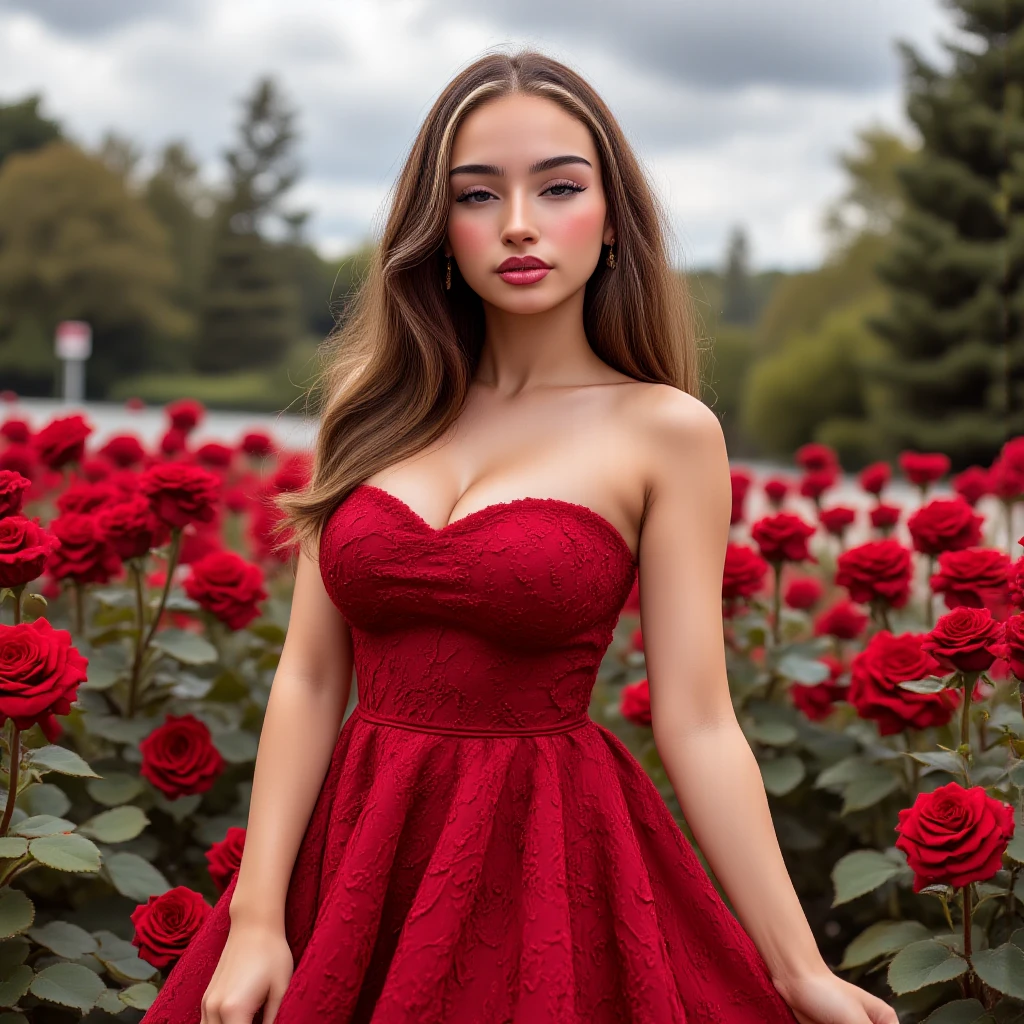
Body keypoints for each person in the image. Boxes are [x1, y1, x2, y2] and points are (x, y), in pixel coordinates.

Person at [144, 48, 898, 1024]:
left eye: (558, 187)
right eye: (476, 194)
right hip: (354, 861)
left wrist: (799, 968)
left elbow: (700, 719)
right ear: (437, 226)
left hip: (540, 858)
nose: (517, 223)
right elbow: (311, 678)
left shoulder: (665, 432)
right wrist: (257, 918)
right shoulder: (368, 411)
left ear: (613, 217)